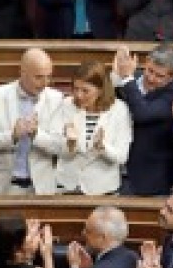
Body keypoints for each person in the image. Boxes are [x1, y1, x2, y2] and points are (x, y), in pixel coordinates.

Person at [0, 48, 74, 196]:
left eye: (48, 77)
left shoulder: (56, 98)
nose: (45, 83)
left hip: (40, 188)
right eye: (38, 77)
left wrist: (37, 135)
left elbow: (59, 146)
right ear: (22, 72)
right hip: (2, 187)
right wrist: (12, 136)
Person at [112, 43, 173, 197]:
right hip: (116, 171)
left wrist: (126, 78)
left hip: (149, 181)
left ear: (172, 76)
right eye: (149, 70)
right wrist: (117, 76)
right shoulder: (133, 78)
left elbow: (142, 113)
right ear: (146, 61)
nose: (151, 78)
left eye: (159, 76)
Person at [56, 61, 131, 195]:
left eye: (85, 91)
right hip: (67, 186)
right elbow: (57, 149)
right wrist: (70, 144)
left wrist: (103, 148)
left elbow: (122, 156)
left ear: (101, 90)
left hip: (103, 189)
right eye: (75, 88)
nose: (79, 95)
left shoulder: (119, 109)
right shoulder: (66, 105)